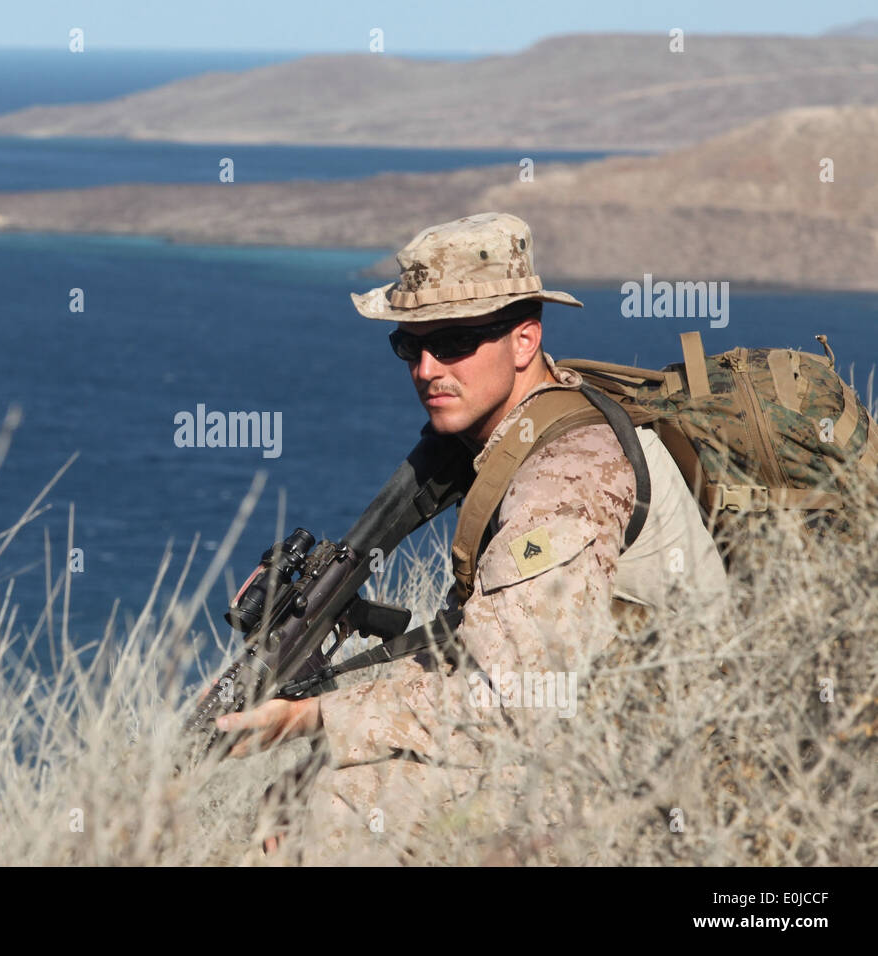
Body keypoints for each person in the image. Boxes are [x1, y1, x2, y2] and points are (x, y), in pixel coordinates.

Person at [214, 212, 729, 864]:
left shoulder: (565, 479)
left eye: (454, 342)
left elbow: (510, 701)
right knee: (326, 767)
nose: (427, 369)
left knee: (350, 798)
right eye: (411, 346)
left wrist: (315, 717)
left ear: (523, 341)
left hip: (658, 755)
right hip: (595, 709)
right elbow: (481, 652)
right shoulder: (528, 419)